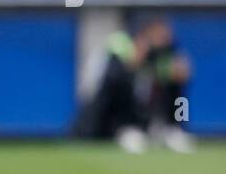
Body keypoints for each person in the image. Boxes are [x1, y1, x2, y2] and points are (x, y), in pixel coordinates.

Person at [74, 17, 194, 153]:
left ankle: (173, 128)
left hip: (145, 113)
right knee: (124, 85)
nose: (165, 38)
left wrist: (178, 72)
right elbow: (106, 89)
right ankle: (122, 129)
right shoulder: (122, 47)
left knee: (176, 85)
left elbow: (176, 74)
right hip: (108, 115)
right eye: (160, 34)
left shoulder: (166, 51)